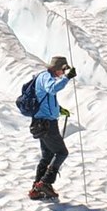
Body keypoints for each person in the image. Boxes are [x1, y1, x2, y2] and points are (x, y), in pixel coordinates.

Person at [29, 56, 76, 200]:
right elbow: (52, 89)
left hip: (40, 122)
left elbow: (46, 98)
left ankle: (36, 188)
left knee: (47, 155)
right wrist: (68, 78)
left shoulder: (43, 77)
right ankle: (45, 183)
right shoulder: (47, 78)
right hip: (47, 124)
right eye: (63, 70)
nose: (63, 73)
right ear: (59, 69)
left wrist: (58, 110)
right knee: (61, 153)